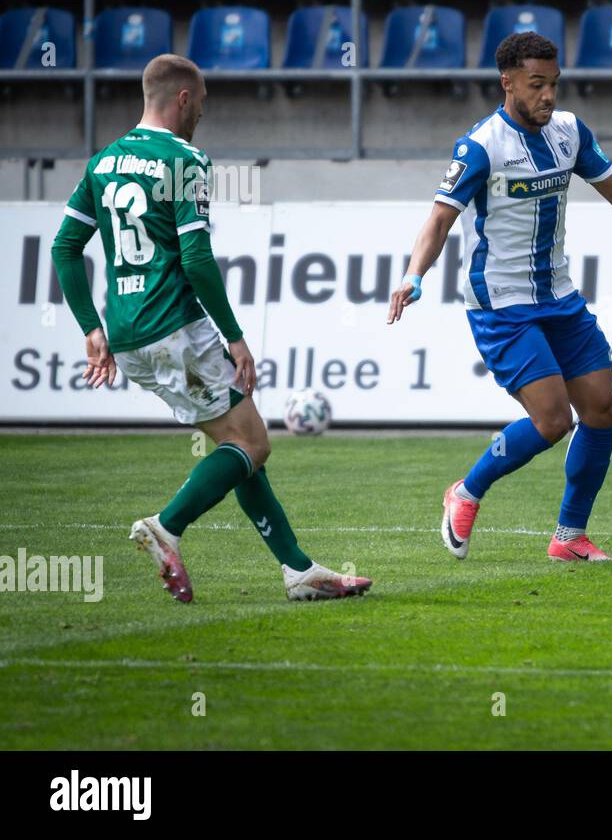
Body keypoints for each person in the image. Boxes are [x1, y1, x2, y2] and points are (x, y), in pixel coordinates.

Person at [50, 54, 372, 603]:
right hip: (174, 324)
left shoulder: (103, 162)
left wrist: (91, 327)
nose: (202, 111)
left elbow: (64, 248)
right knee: (253, 442)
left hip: (128, 338)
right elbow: (197, 261)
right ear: (182, 98)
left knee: (234, 445)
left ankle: (298, 570)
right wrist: (235, 336)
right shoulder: (185, 161)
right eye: (200, 101)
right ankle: (166, 526)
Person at [388, 31, 612, 562]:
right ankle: (466, 491)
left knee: (602, 409)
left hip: (559, 297)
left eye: (554, 84)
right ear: (507, 82)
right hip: (502, 306)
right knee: (553, 422)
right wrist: (414, 275)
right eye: (537, 85)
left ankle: (569, 537)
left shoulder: (569, 133)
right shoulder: (480, 146)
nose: (549, 96)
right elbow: (439, 219)